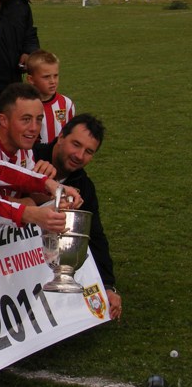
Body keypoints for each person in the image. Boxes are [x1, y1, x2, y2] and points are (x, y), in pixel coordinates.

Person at [34, 114, 122, 319]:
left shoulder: (84, 186)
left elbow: (96, 236)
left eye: (88, 151)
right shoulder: (31, 156)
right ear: (61, 136)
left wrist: (108, 285)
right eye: (76, 144)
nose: (80, 155)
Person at [0, 83, 56, 203]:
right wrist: (27, 203)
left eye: (39, 119)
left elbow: (32, 193)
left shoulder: (25, 148)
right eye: (26, 119)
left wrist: (49, 185)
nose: (34, 128)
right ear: (4, 120)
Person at [25, 49, 75, 143]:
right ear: (31, 79)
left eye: (55, 76)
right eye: (46, 77)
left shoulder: (66, 104)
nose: (53, 81)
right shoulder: (24, 106)